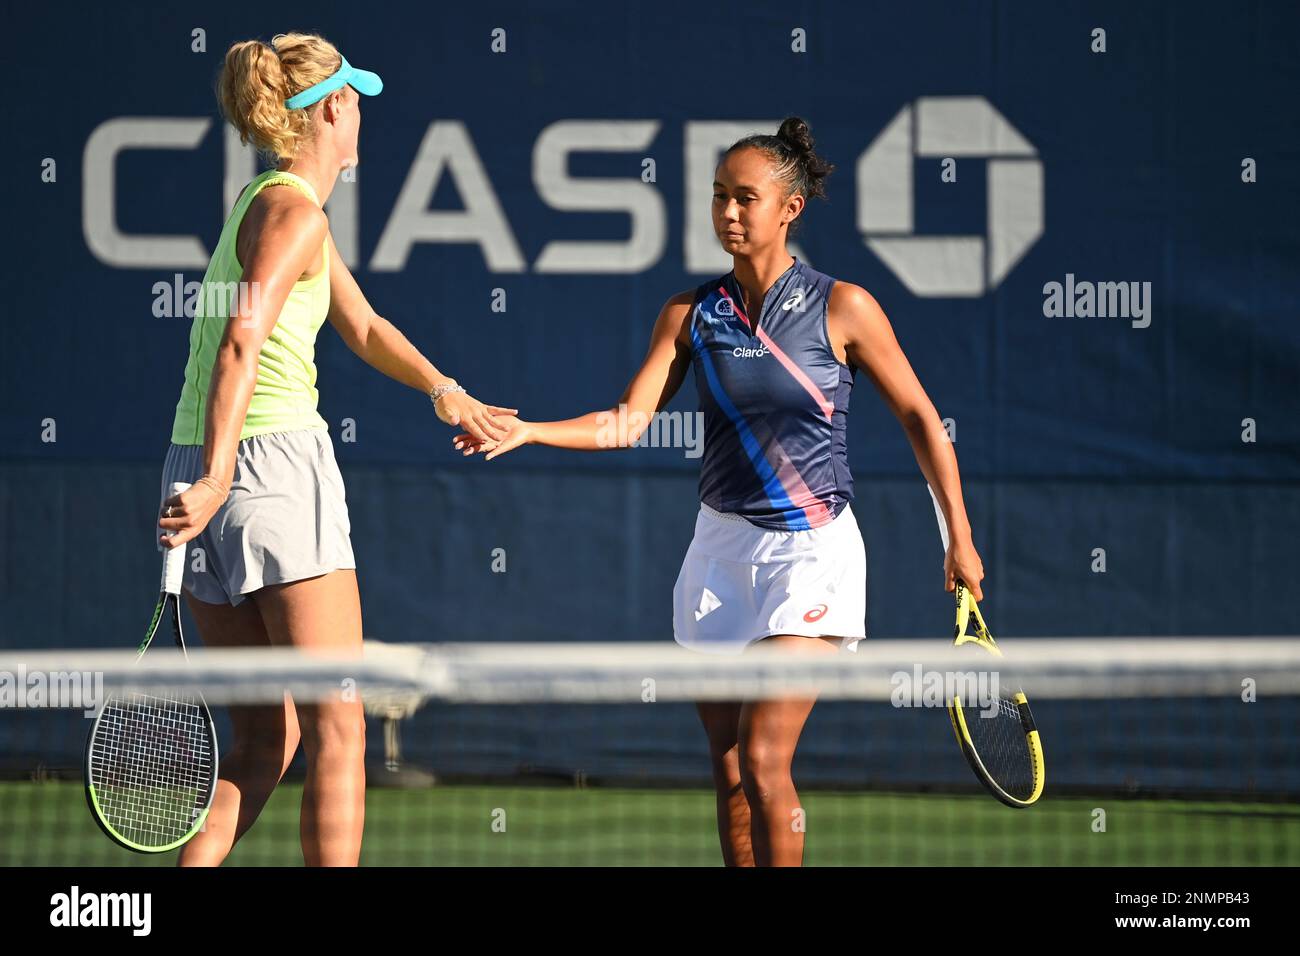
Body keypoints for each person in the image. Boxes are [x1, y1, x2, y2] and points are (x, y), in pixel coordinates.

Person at [453, 116, 985, 866]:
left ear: (789, 208)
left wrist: (957, 533)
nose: (728, 213)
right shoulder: (690, 314)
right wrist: (531, 430)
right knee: (732, 770)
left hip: (815, 555)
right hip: (720, 554)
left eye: (745, 198)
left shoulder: (845, 308)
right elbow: (625, 422)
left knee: (766, 759)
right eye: (717, 197)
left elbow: (925, 422)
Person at [156, 32, 515, 866]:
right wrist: (220, 475)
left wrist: (443, 389)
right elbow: (243, 339)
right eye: (355, 101)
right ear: (331, 109)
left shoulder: (270, 207)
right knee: (340, 724)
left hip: (199, 468)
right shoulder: (294, 213)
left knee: (266, 735)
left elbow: (362, 325)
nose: (363, 117)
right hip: (262, 469)